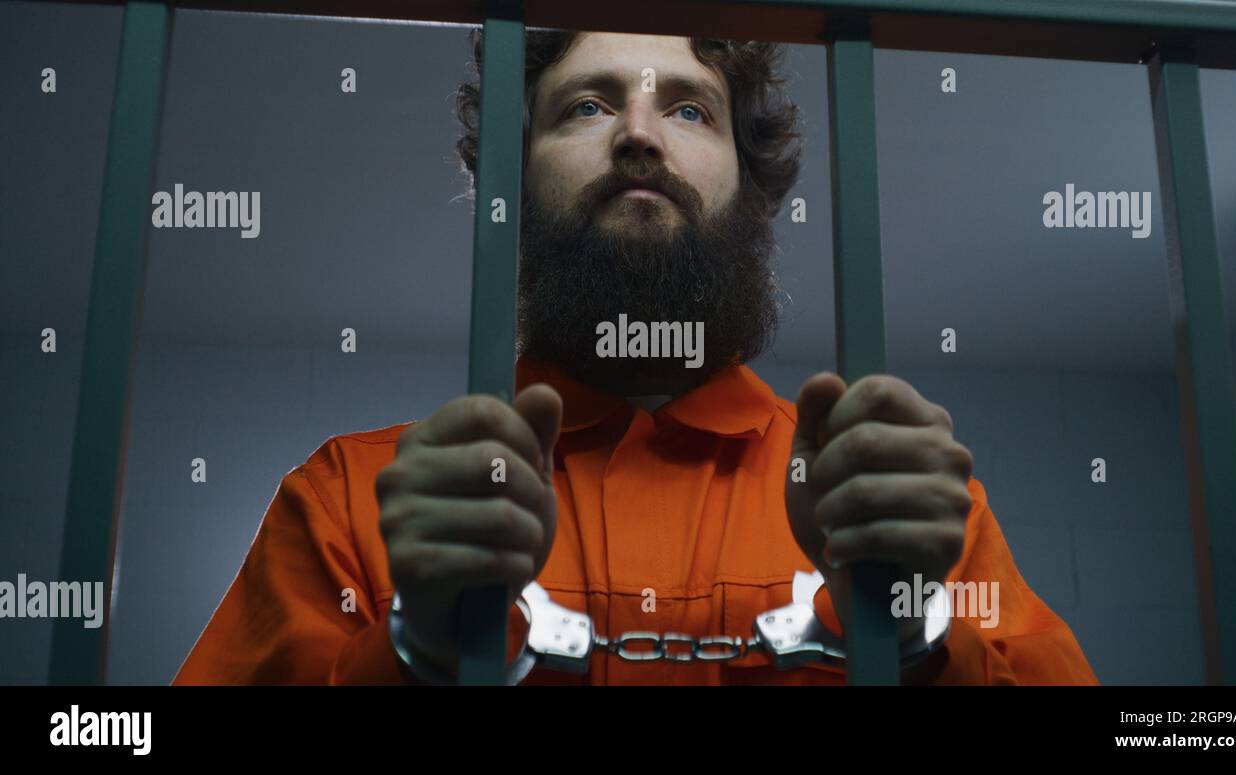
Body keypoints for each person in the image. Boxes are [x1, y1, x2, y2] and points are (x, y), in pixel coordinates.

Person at [173, 29, 1097, 685]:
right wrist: (423, 651)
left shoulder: (893, 496)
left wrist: (908, 635)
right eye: (586, 105)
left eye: (690, 108)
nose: (640, 135)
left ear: (751, 179)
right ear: (513, 174)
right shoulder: (345, 496)